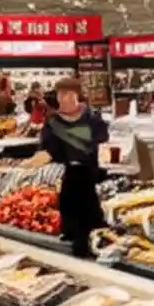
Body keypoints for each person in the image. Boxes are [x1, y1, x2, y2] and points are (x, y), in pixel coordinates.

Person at [40, 77, 110, 258]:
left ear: (78, 95)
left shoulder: (93, 119)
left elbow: (102, 146)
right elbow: (49, 151)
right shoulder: (53, 122)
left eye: (69, 94)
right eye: (61, 94)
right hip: (67, 180)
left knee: (93, 223)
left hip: (92, 180)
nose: (64, 98)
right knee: (72, 227)